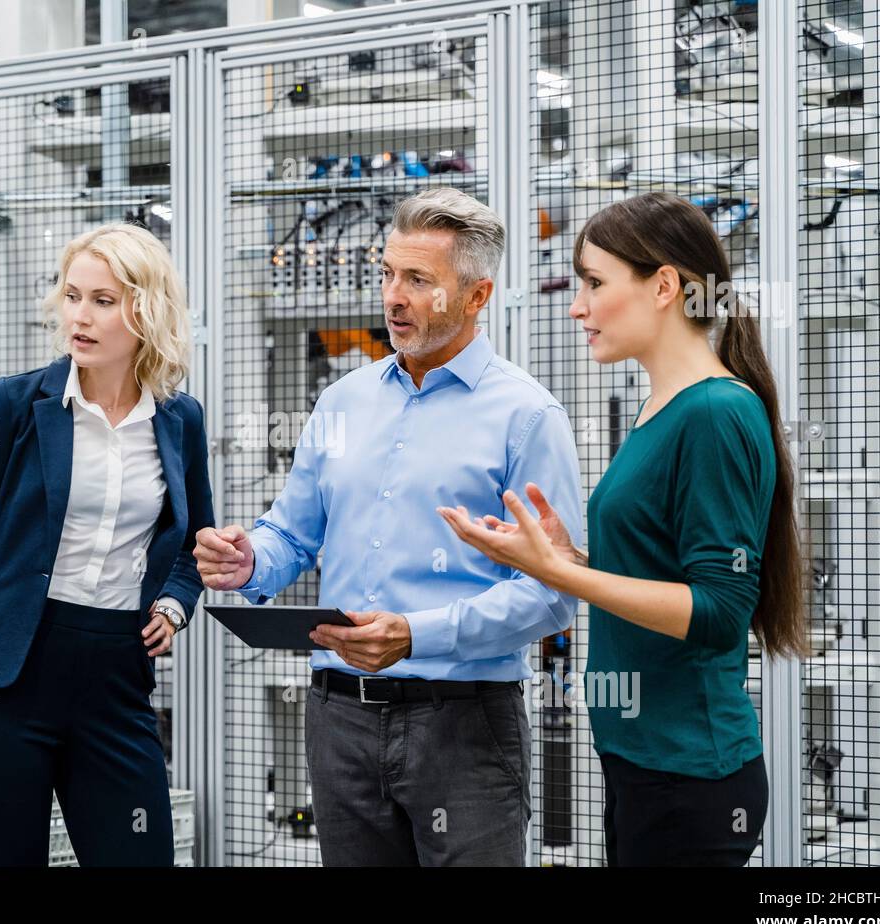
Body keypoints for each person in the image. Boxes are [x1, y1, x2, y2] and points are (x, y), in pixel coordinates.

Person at [195, 187, 584, 866]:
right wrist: (248, 559)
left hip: (462, 725)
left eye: (418, 280)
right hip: (338, 720)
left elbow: (556, 592)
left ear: (477, 295)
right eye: (387, 273)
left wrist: (416, 635)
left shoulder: (527, 418)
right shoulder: (342, 401)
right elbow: (291, 533)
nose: (392, 297)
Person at [438, 191, 808, 866]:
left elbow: (720, 611)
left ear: (664, 286)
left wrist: (563, 574)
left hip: (690, 775)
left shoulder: (714, 414)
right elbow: (657, 569)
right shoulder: (664, 407)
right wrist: (565, 553)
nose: (577, 306)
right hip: (643, 762)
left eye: (594, 283)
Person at [0, 222, 214, 866]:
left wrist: (173, 605)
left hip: (115, 679)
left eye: (103, 301)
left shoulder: (179, 420)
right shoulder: (16, 405)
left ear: (147, 310)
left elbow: (194, 542)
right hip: (8, 682)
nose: (79, 316)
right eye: (72, 295)